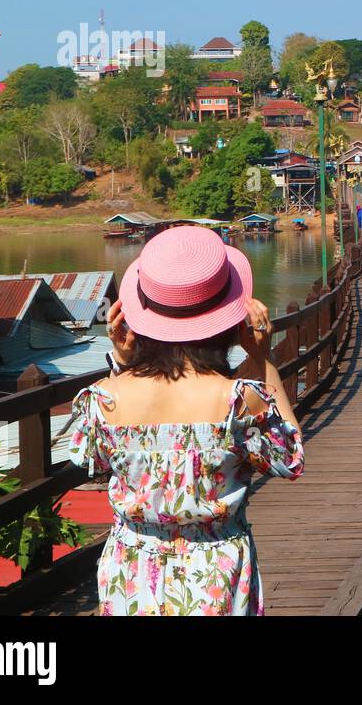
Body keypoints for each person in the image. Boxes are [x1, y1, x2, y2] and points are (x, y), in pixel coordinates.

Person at [66, 225, 303, 616]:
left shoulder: (104, 399)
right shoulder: (236, 400)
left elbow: (89, 459)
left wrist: (123, 365)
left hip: (133, 574)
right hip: (214, 576)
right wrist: (263, 359)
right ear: (229, 319)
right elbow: (289, 458)